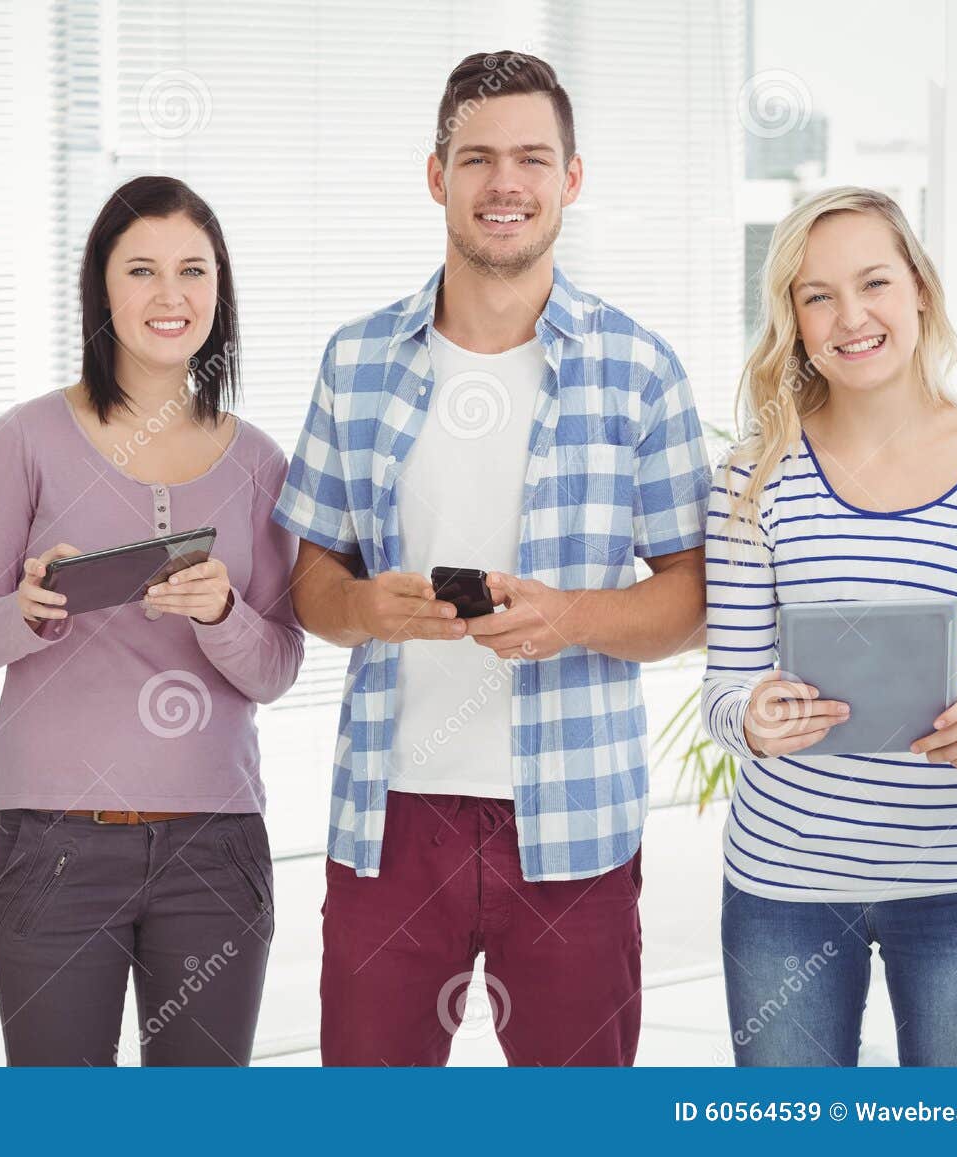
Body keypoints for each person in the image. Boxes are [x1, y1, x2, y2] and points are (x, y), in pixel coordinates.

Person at [272, 52, 712, 1066]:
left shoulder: (639, 368)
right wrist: (365, 608)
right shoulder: (356, 360)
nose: (503, 182)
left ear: (571, 178)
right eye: (476, 158)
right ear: (437, 176)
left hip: (576, 821)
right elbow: (309, 583)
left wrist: (572, 617)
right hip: (390, 819)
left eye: (530, 158)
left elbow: (691, 597)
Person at [701, 185, 957, 1066]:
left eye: (873, 282)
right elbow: (725, 686)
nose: (851, 317)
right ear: (794, 320)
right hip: (785, 885)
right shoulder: (753, 474)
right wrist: (752, 717)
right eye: (818, 295)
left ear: (919, 288)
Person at [0, 175, 303, 1066]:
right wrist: (29, 611)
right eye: (142, 270)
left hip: (215, 850)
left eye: (192, 270)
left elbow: (279, 665)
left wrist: (220, 612)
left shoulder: (260, 462)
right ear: (101, 286)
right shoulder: (24, 440)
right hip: (54, 849)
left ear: (220, 289)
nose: (170, 295)